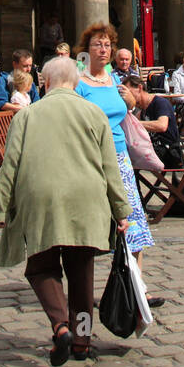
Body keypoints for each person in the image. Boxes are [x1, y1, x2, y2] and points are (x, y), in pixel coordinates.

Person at [0, 55, 130, 365]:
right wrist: (122, 211)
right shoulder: (95, 114)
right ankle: (81, 341)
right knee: (82, 275)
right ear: (76, 83)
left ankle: (60, 325)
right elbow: (110, 167)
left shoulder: (27, 115)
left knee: (41, 267)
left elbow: (10, 165)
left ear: (46, 82)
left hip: (42, 198)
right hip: (87, 199)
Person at [75, 22, 156, 283]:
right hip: (91, 160)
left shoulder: (115, 80)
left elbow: (126, 113)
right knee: (89, 223)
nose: (103, 49)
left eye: (107, 45)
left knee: (133, 217)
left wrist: (131, 104)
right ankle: (83, 290)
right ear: (86, 50)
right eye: (97, 44)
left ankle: (137, 285)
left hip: (119, 158)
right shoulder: (79, 83)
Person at [125, 74, 181, 167]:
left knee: (127, 158)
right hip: (154, 150)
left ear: (139, 88)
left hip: (169, 152)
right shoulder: (142, 109)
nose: (128, 97)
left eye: (130, 93)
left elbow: (162, 126)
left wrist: (134, 123)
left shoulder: (160, 103)